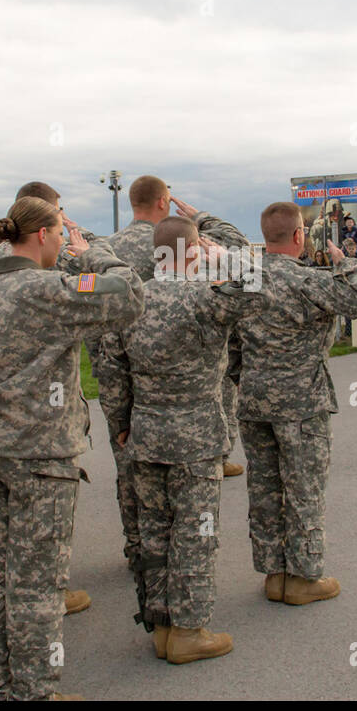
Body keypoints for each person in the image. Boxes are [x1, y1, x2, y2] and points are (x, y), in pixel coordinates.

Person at [0, 196, 144, 700]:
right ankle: (35, 693)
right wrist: (94, 251)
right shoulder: (47, 289)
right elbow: (130, 296)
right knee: (38, 583)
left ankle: (3, 688)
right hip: (39, 457)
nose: (62, 242)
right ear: (40, 235)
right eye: (59, 234)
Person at [108, 215, 263, 663]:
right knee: (195, 532)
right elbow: (258, 285)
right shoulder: (206, 298)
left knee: (155, 533)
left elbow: (114, 370)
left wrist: (122, 422)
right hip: (196, 437)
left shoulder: (131, 300)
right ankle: (190, 631)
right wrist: (226, 257)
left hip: (145, 433)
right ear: (193, 250)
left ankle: (161, 625)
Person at [237, 203, 357, 607]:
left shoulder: (245, 281)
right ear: (299, 236)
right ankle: (304, 575)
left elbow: (229, 344)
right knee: (304, 488)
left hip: (254, 399)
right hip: (301, 401)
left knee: (264, 488)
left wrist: (242, 380)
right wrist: (346, 261)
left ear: (265, 236)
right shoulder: (306, 281)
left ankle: (274, 572)